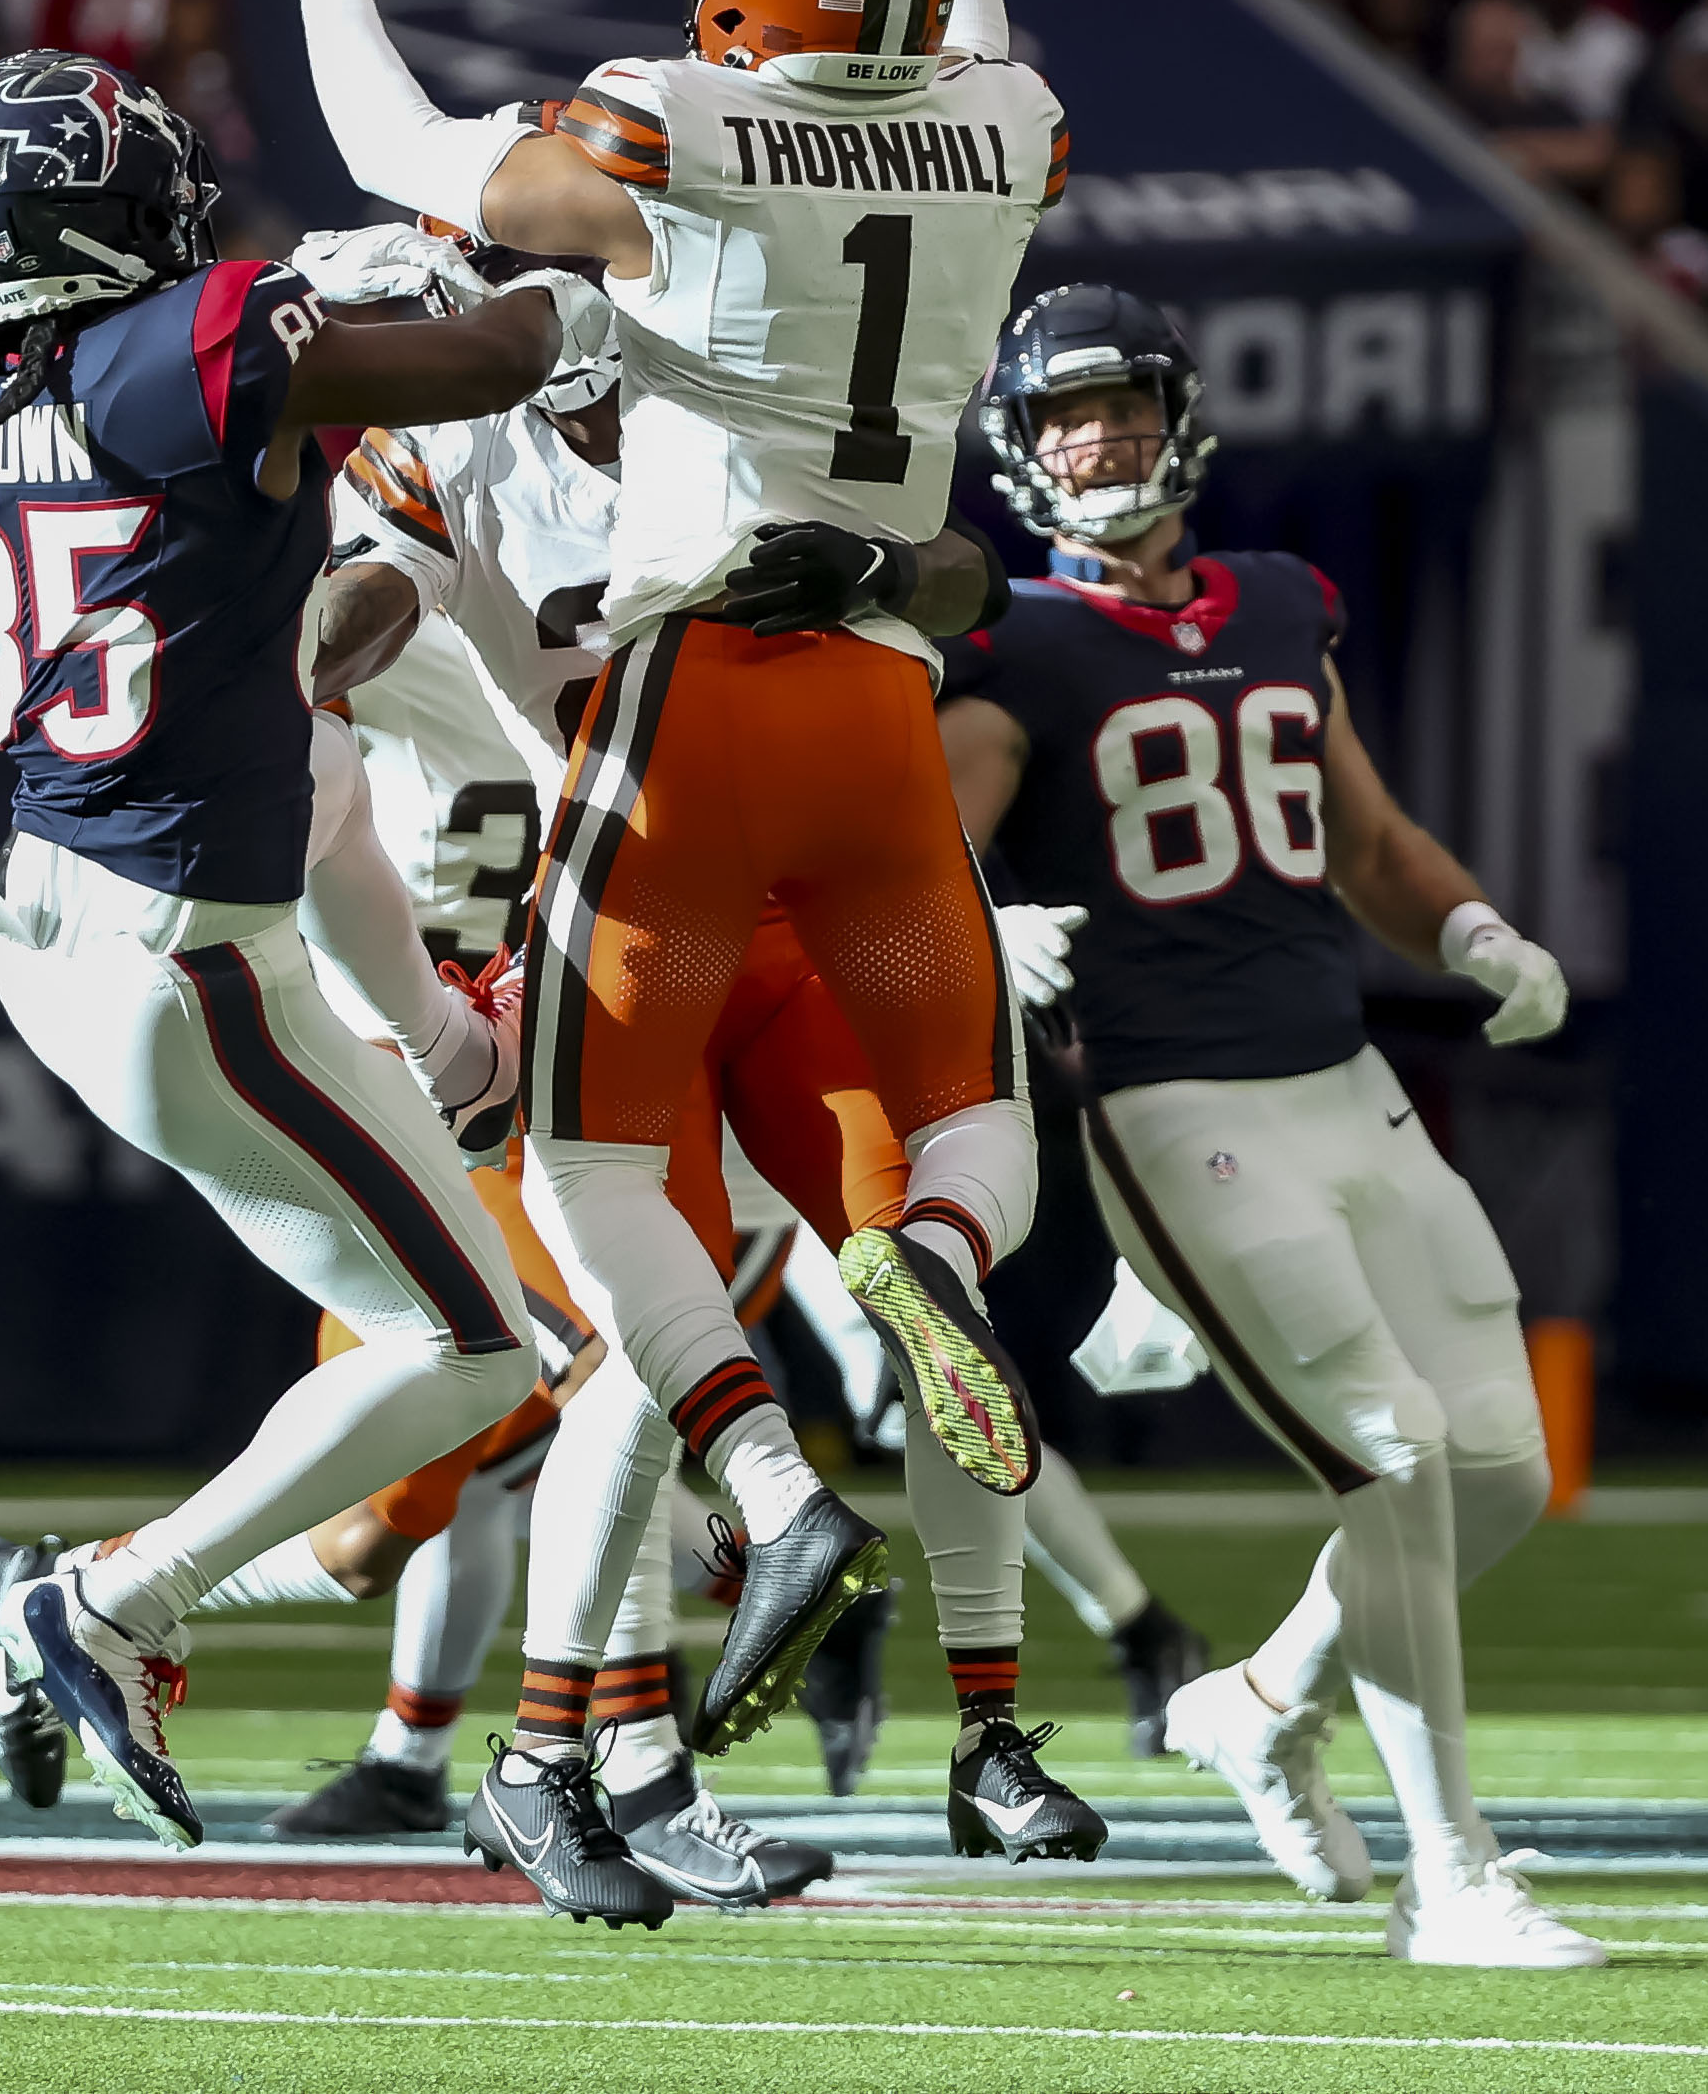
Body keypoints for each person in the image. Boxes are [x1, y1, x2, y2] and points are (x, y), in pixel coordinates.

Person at [243, 0, 1064, 1899]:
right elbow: (961, 26)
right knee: (966, 1121)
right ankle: (930, 1260)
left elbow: (409, 162)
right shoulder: (1004, 126)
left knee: (606, 1181)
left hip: (692, 694)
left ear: (728, 2)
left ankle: (764, 1476)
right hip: (883, 691)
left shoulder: (672, 130)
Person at [286, 230, 1111, 1895]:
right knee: (616, 1377)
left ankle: (985, 1723)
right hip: (629, 915)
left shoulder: (752, 378)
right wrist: (309, 628)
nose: (607, 450)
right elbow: (356, 607)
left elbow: (969, 580)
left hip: (805, 915)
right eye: (579, 418)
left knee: (931, 1299)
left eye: (629, 416)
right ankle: (555, 1749)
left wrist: (872, 576)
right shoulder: (454, 448)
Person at [0, 46, 562, 1861]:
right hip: (189, 966)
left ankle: (439, 1042)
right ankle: (106, 1599)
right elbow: (497, 363)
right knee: (481, 1345)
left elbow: (251, 532)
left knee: (312, 727)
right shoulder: (191, 345)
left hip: (59, 908)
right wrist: (529, 249)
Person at [937, 284, 1595, 1969]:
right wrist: (974, 921)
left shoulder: (1282, 603)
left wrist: (1467, 931)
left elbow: (1364, 838)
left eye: (1121, 405)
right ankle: (1451, 1873)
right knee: (1387, 1450)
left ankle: (1254, 1700)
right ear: (1022, 441)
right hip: (1170, 1100)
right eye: (1066, 411)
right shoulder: (1010, 640)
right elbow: (913, 852)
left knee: (1497, 1472)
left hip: (1344, 1077)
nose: (1099, 437)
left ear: (1173, 418)